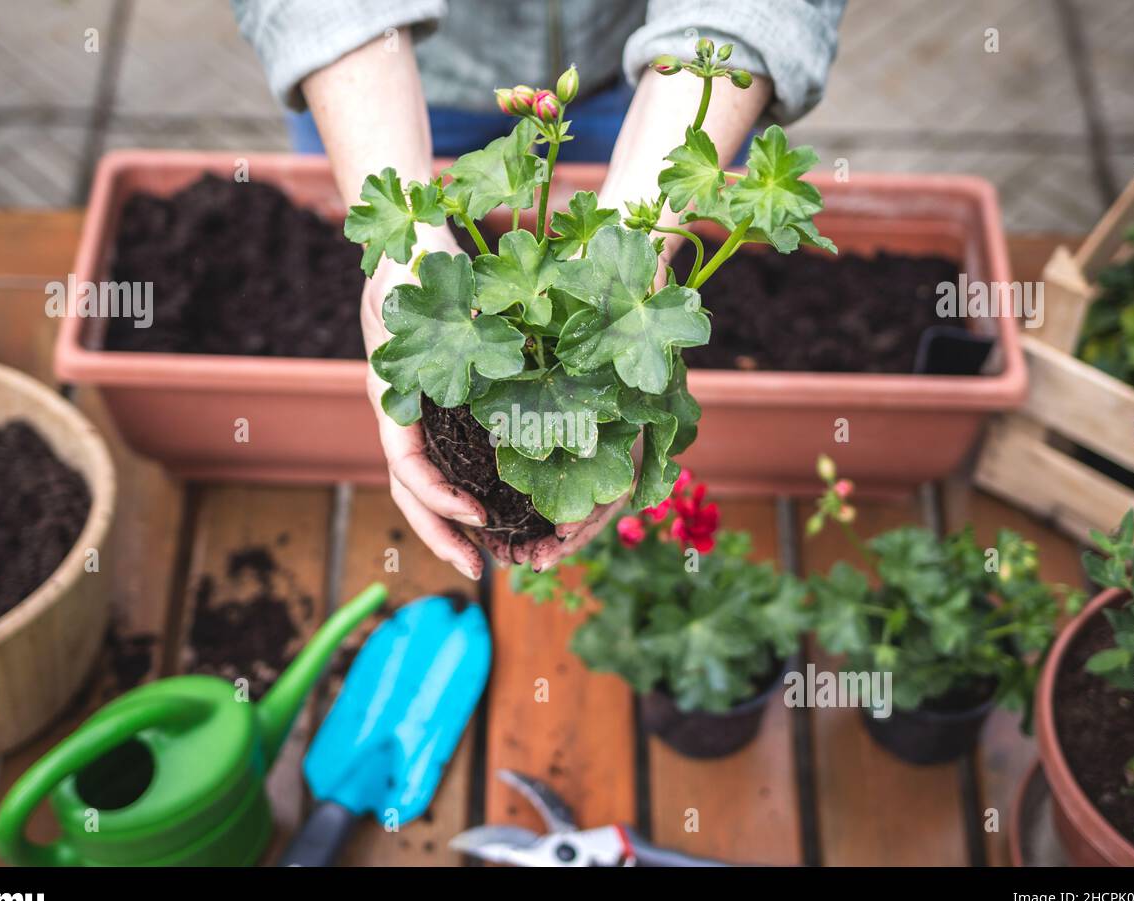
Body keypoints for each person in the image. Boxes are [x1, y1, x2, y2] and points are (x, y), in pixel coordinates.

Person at [232, 0, 845, 580]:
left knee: (609, 242)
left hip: (654, 80)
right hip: (373, 73)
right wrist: (405, 260)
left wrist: (634, 257)